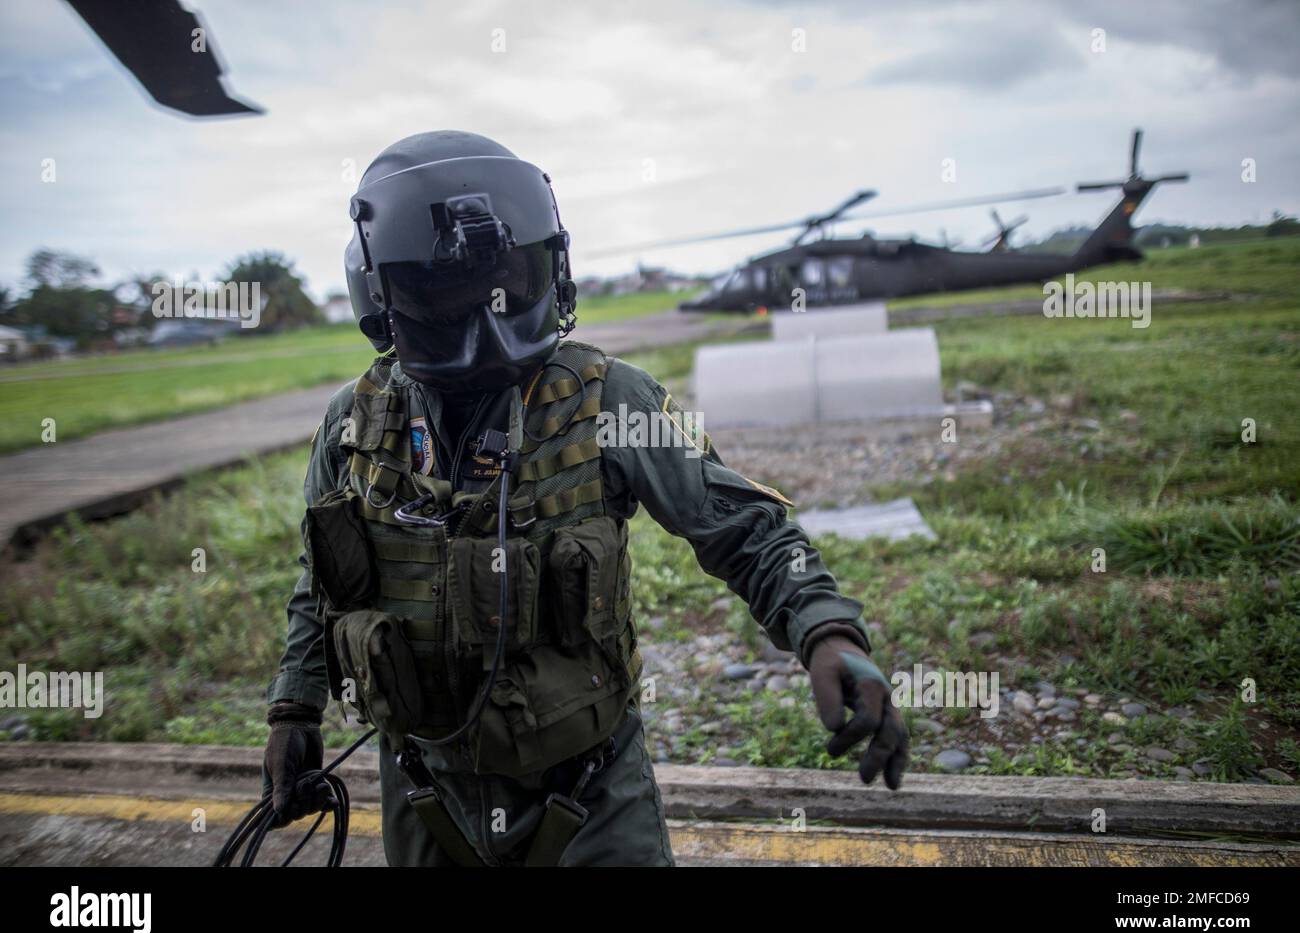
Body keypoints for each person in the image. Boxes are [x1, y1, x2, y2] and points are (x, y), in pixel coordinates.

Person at [262, 130, 908, 867]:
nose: (485, 315)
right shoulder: (353, 424)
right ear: (386, 295)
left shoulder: (608, 400)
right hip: (424, 792)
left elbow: (743, 527)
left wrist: (828, 633)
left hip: (590, 797)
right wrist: (295, 707)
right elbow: (323, 583)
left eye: (504, 278)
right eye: (447, 292)